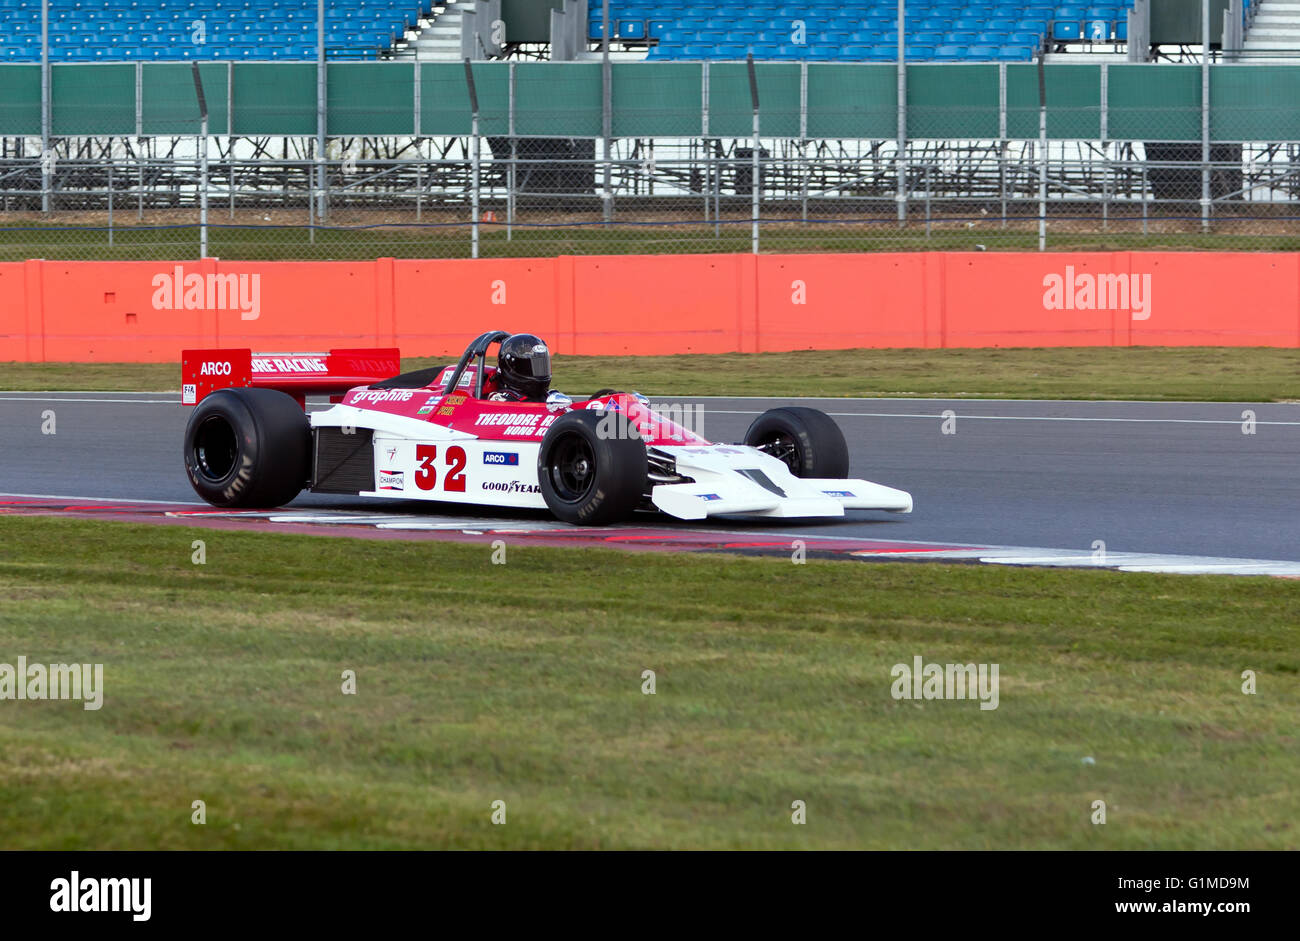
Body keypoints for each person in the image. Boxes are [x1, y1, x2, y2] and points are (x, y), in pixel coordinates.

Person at [488, 334, 569, 408]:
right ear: (513, 367)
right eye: (530, 367)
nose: (539, 371)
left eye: (542, 365)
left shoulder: (550, 397)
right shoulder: (502, 401)